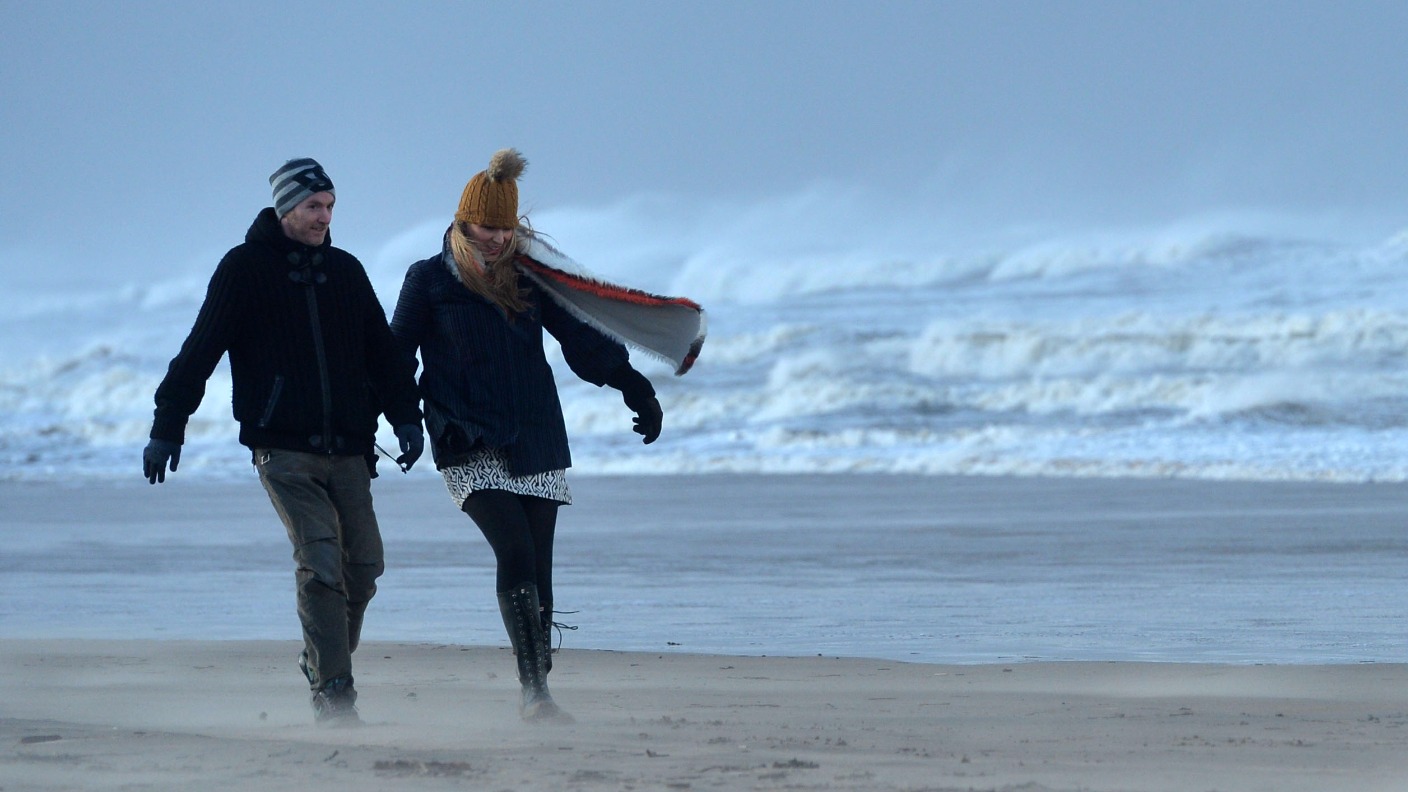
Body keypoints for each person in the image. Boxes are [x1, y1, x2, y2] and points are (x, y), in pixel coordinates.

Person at [389, 149, 705, 721]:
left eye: (506, 230)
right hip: (466, 436)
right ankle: (534, 691)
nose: (496, 240)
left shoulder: (529, 278)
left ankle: (535, 674)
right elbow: (394, 358)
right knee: (512, 549)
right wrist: (403, 420)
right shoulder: (429, 280)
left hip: (534, 430)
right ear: (463, 222)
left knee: (538, 566)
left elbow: (581, 340)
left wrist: (635, 387)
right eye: (487, 228)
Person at [141, 158, 425, 726]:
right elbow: (201, 348)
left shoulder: (346, 271)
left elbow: (384, 357)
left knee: (363, 567)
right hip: (283, 450)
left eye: (330, 207)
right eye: (313, 207)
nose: (324, 218)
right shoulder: (243, 269)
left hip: (349, 448)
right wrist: (167, 423)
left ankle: (319, 661)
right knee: (321, 562)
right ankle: (335, 695)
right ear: (285, 207)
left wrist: (405, 418)